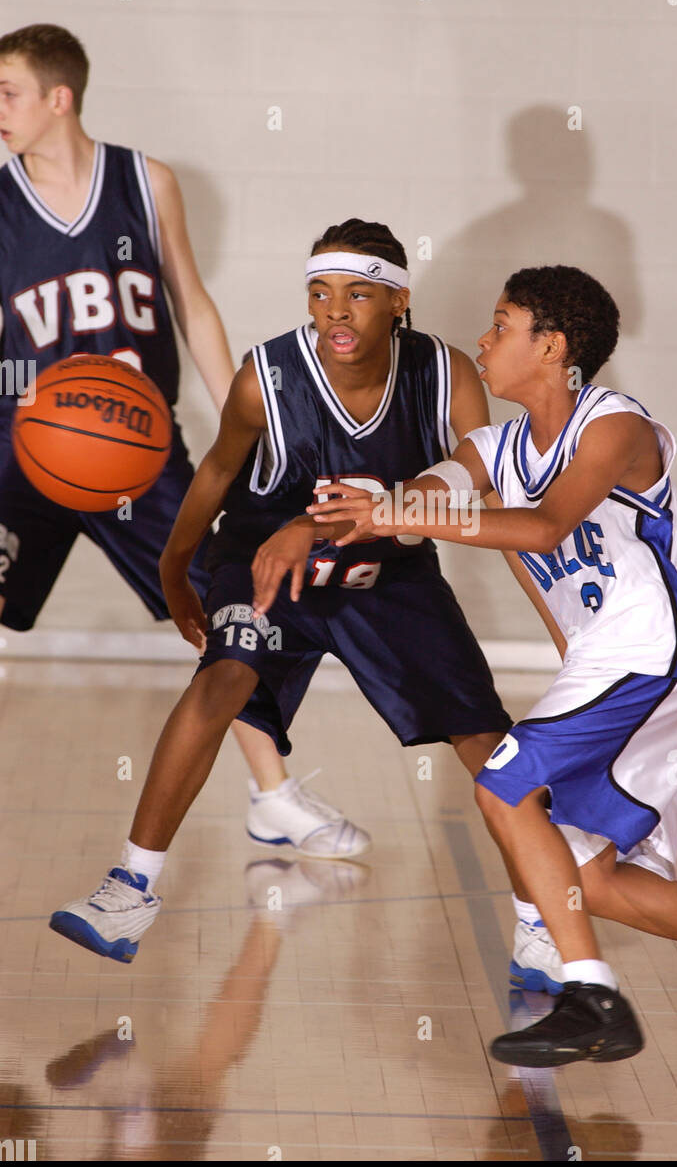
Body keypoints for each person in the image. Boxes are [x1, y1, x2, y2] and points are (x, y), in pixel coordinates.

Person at [312, 265, 677, 1073]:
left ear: (552, 346)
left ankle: (592, 996)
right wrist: (386, 502)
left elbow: (544, 528)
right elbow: (441, 492)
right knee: (588, 875)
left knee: (502, 781)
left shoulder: (615, 426)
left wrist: (402, 514)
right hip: (619, 656)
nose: (483, 342)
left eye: (500, 325)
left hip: (668, 642)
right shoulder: (493, 447)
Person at [48, 218, 512, 963]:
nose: (335, 310)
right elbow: (217, 474)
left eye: (358, 294)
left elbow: (471, 482)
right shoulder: (264, 377)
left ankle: (545, 918)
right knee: (224, 677)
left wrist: (323, 525)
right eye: (320, 293)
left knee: (486, 737)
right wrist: (176, 569)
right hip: (268, 566)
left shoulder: (445, 373)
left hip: (387, 576)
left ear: (399, 301)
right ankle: (129, 891)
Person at [0, 23, 362, 855]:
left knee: (216, 607)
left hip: (136, 449)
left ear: (61, 97)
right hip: (29, 445)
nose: (0, 111)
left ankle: (270, 795)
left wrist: (249, 420)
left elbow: (192, 303)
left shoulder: (144, 180)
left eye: (9, 93)